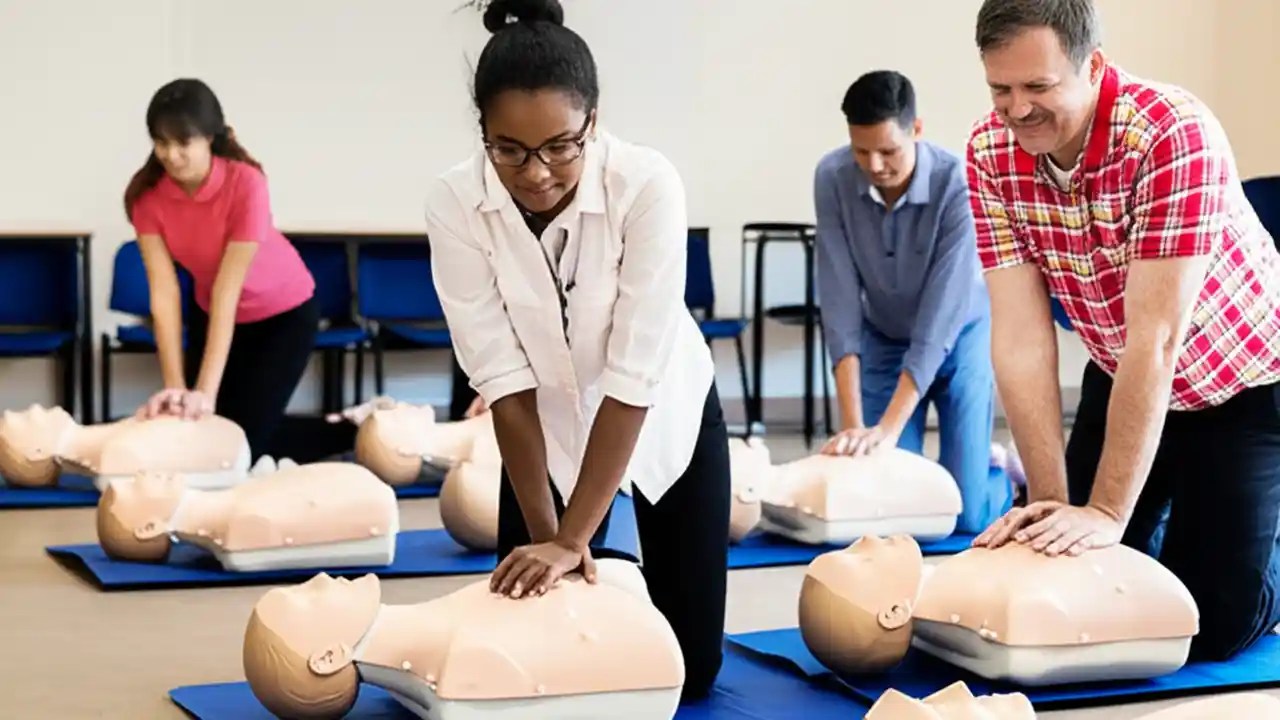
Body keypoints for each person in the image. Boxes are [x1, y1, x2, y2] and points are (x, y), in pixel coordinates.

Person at [422, 0, 730, 701]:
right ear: (483, 133)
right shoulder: (454, 201)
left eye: (560, 146)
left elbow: (632, 380)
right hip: (541, 430)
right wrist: (548, 538)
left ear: (593, 122)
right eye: (509, 149)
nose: (535, 173)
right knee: (527, 644)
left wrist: (572, 541)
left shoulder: (647, 185)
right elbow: (502, 378)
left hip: (661, 418)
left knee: (691, 670)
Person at [965, 0, 1280, 662]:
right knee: (1078, 580)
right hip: (1121, 371)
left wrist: (1106, 514)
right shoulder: (990, 154)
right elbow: (1021, 340)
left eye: (1038, 87)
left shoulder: (1171, 133)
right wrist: (1055, 507)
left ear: (1094, 67)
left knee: (1212, 625)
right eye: (1001, 88)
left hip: (1246, 384)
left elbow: (1158, 339)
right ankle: (1183, 533)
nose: (1017, 109)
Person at [813, 70, 1009, 534]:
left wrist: (889, 427)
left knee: (966, 515)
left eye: (889, 151)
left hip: (960, 339)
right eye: (862, 151)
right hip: (884, 337)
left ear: (916, 130)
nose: (875, 165)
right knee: (894, 501)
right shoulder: (832, 177)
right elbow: (839, 301)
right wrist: (857, 429)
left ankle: (999, 475)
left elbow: (940, 322)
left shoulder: (959, 185)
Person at [123, 78, 318, 462]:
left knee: (239, 444)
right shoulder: (147, 198)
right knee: (203, 432)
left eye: (183, 143)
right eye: (161, 143)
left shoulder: (246, 184)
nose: (171, 155)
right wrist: (177, 387)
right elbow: (164, 295)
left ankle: (349, 427)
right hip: (210, 310)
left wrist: (206, 394)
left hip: (283, 315)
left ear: (210, 137)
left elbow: (229, 290)